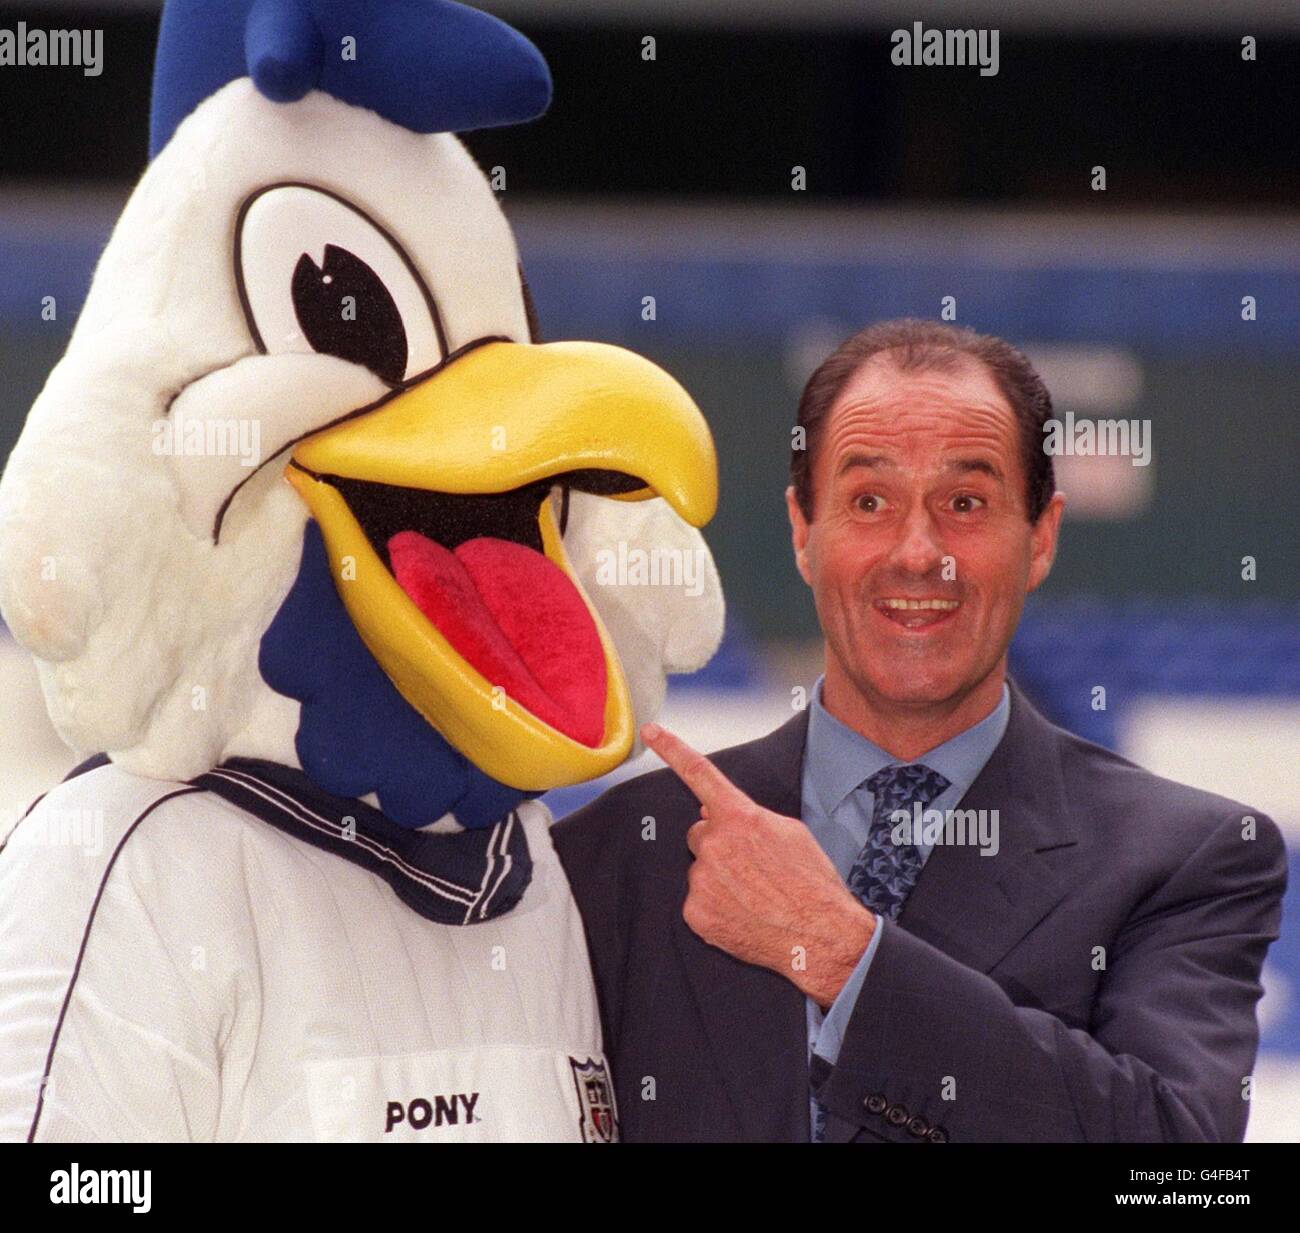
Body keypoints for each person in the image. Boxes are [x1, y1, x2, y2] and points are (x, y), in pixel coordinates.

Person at [553, 317, 1287, 1143]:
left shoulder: (1186, 856)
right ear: (803, 531)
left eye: (965, 503)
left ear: (1040, 536)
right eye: (869, 501)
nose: (917, 552)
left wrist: (846, 958)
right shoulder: (619, 852)